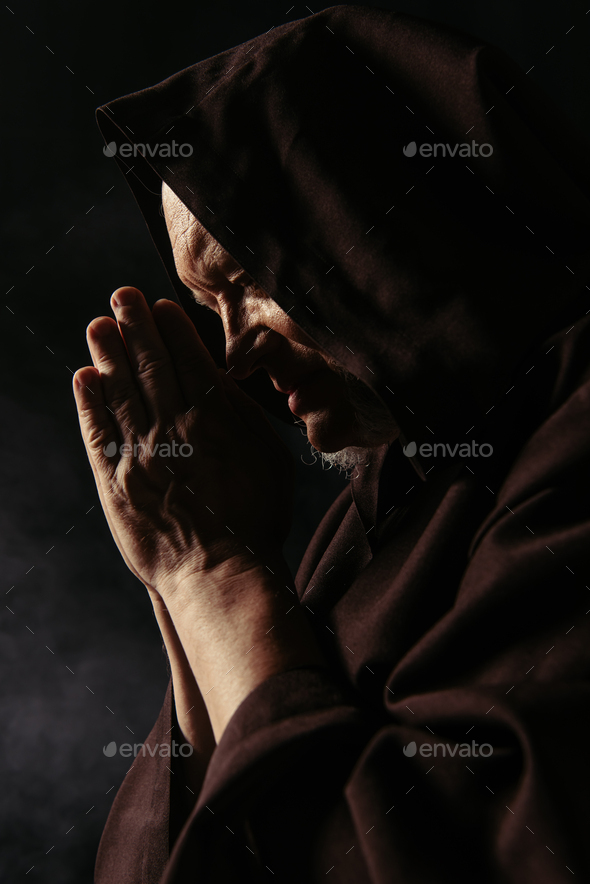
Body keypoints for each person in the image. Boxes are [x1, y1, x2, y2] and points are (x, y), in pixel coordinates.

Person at [75, 6, 590, 883]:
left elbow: (426, 857)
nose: (233, 354)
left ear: (379, 223)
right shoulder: (384, 500)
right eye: (209, 308)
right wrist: (180, 569)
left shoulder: (570, 438)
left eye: (249, 280)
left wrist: (212, 571)